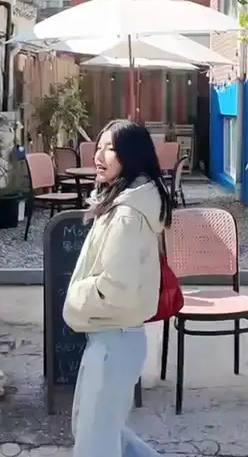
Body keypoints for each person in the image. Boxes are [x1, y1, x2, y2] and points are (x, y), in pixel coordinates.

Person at [63, 119, 173, 457]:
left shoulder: (127, 214)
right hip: (116, 337)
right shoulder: (129, 201)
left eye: (110, 149)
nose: (99, 156)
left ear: (131, 155)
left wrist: (75, 297)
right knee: (99, 432)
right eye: (99, 147)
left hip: (114, 339)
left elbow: (115, 287)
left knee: (94, 443)